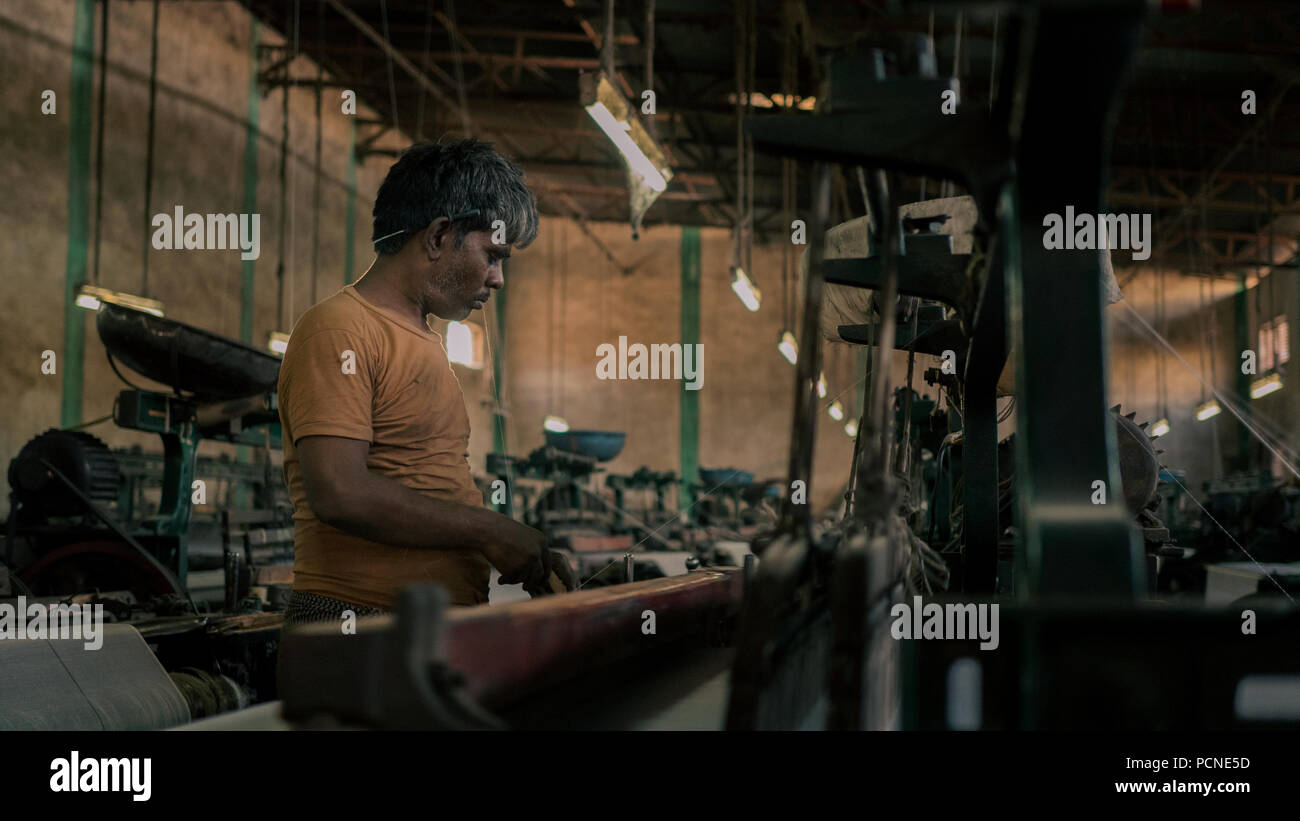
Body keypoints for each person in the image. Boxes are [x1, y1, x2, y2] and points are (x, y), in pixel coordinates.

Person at [276, 139, 572, 629]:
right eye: (493, 255)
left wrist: (507, 544)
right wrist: (490, 530)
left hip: (421, 623)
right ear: (437, 236)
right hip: (357, 622)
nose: (497, 279)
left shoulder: (424, 340)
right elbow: (338, 491)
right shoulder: (341, 329)